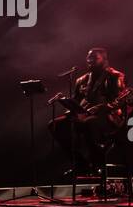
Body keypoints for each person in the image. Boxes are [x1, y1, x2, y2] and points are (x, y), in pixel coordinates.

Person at [47, 47, 127, 178]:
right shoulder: (82, 80)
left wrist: (99, 108)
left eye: (94, 58)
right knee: (55, 125)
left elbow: (119, 101)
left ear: (105, 60)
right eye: (88, 58)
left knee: (89, 123)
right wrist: (67, 103)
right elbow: (77, 101)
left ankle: (97, 164)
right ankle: (81, 164)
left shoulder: (115, 76)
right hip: (84, 116)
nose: (90, 60)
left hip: (107, 117)